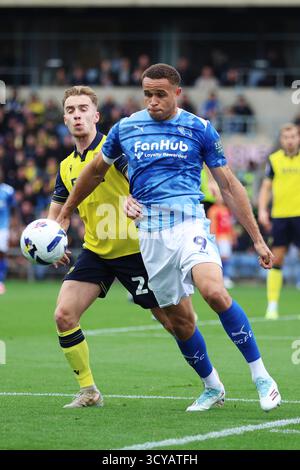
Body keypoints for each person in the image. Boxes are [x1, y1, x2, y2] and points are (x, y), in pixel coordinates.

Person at [57, 65, 281, 412]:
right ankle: (212, 386)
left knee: (214, 292)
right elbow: (95, 172)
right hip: (150, 236)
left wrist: (257, 239)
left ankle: (261, 376)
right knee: (179, 321)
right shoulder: (126, 129)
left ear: (177, 93)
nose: (153, 101)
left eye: (160, 93)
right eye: (147, 93)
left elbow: (228, 185)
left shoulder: (199, 128)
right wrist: (67, 210)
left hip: (190, 224)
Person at [49, 85, 180, 408]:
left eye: (82, 109)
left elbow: (142, 178)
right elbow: (57, 212)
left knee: (174, 323)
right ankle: (89, 391)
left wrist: (138, 199)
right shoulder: (66, 167)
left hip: (136, 251)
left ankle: (210, 380)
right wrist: (53, 239)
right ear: (64, 119)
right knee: (64, 315)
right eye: (70, 110)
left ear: (96, 115)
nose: (76, 115)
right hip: (97, 251)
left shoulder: (114, 150)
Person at [258, 123, 300, 320]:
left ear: (298, 138)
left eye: (293, 136)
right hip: (281, 216)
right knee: (277, 258)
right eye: (286, 137)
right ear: (282, 140)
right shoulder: (274, 160)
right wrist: (263, 210)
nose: (290, 140)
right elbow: (266, 187)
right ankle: (272, 306)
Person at [207, 189, 236, 289]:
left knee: (226, 257)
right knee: (219, 258)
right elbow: (212, 224)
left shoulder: (226, 210)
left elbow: (229, 225)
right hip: (219, 237)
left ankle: (226, 277)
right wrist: (213, 237)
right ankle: (219, 278)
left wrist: (232, 236)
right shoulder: (213, 210)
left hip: (226, 237)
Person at [0, 168, 15, 294]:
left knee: (2, 254)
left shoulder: (8, 190)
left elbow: (14, 210)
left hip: (3, 228)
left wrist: (14, 227)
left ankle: (0, 281)